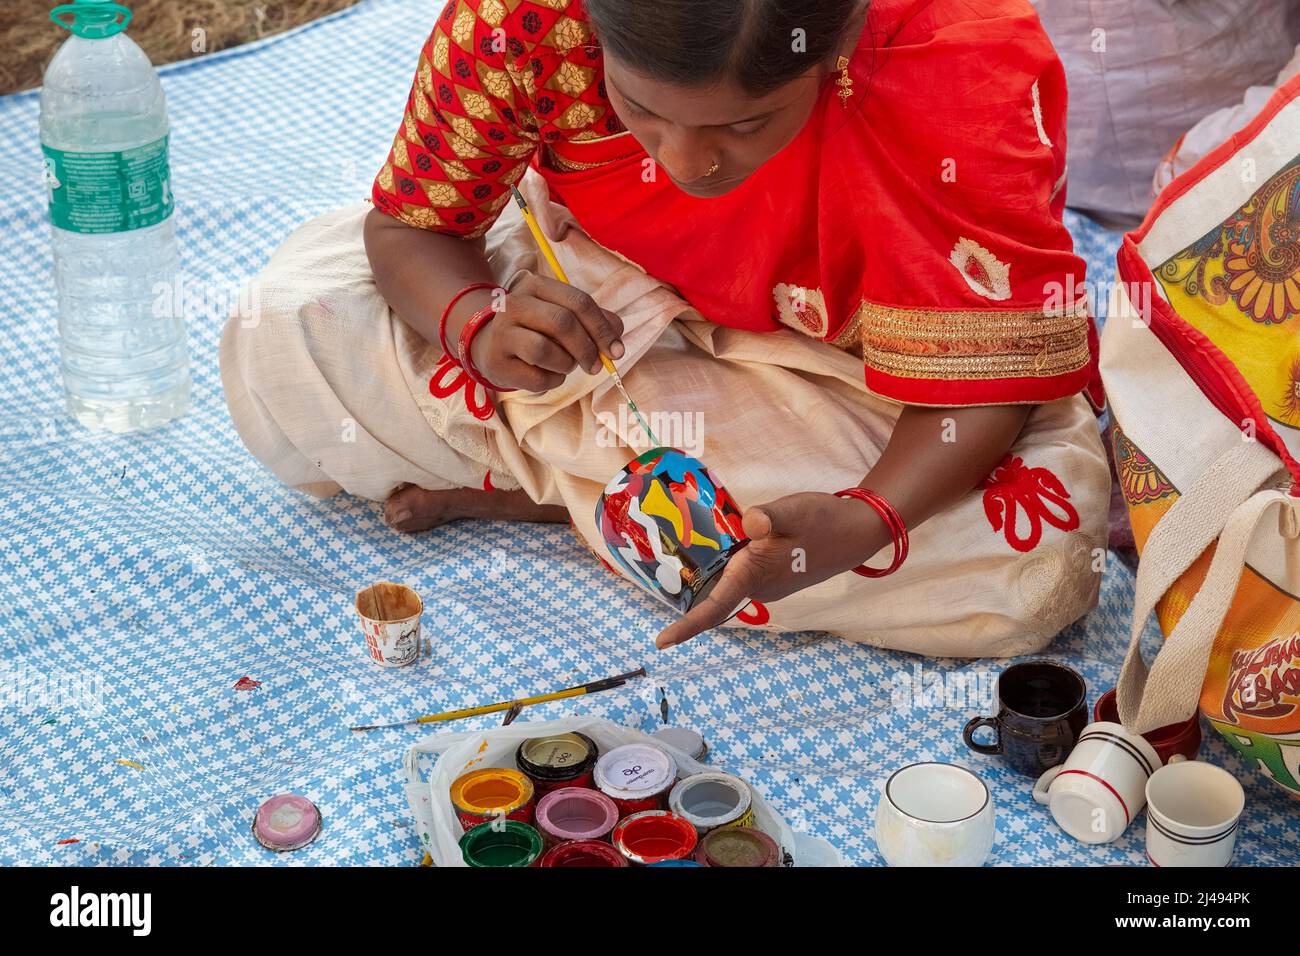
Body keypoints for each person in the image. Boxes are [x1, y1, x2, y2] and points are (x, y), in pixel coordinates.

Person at [220, 0, 1110, 657]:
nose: (688, 164)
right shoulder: (523, 24)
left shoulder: (954, 55)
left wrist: (864, 520)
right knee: (289, 325)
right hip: (608, 297)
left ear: (836, 46)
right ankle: (622, 498)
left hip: (850, 369)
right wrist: (477, 323)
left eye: (747, 123)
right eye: (639, 110)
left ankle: (567, 487)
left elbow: (992, 374)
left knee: (1036, 562)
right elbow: (413, 229)